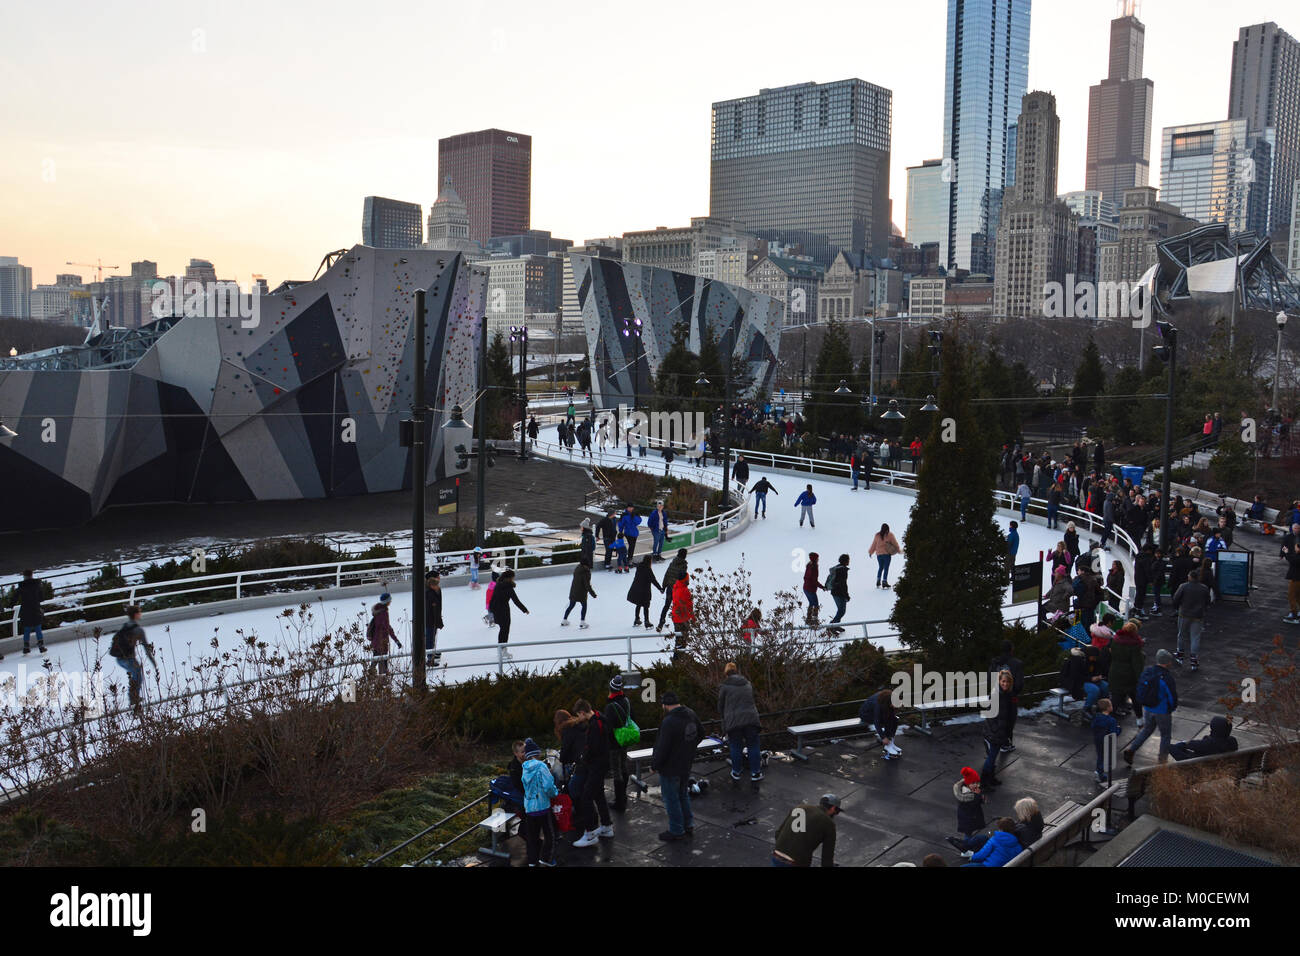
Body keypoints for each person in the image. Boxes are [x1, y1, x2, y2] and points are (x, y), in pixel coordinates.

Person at [651, 691, 705, 842]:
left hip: (670, 767)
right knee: (682, 795)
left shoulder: (669, 721)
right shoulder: (691, 713)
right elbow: (701, 733)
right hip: (685, 764)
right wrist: (689, 748)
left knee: (671, 799)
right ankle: (688, 824)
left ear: (665, 705)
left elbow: (663, 747)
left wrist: (655, 765)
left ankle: (676, 830)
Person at [570, 699, 614, 847]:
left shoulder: (594, 725)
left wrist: (583, 757)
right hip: (603, 764)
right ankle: (607, 826)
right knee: (598, 794)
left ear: (582, 712)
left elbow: (593, 748)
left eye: (578, 715)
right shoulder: (601, 718)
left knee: (586, 798)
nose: (579, 718)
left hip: (596, 766)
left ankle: (590, 834)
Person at [1123, 649, 1178, 766]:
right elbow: (1171, 696)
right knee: (1165, 735)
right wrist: (1172, 708)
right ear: (1167, 662)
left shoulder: (1148, 671)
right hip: (1162, 711)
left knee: (1147, 730)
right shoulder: (1166, 677)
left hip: (1148, 708)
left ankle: (1131, 750)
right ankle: (1162, 760)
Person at [718, 662, 763, 782]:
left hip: (734, 722)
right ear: (736, 671)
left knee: (736, 746)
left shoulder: (724, 686)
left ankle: (736, 772)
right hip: (751, 719)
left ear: (726, 673)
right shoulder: (747, 684)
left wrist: (724, 720)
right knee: (753, 746)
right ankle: (755, 773)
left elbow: (720, 706)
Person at [108, 605, 155, 713]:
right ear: (136, 614)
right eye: (139, 612)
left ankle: (134, 699)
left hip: (119, 659)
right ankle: (134, 703)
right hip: (129, 659)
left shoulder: (125, 626)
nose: (141, 614)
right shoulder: (138, 630)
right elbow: (146, 648)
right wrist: (153, 661)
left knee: (135, 677)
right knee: (137, 678)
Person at [772, 795, 840, 867]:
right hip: (797, 862)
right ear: (833, 808)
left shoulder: (799, 808)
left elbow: (778, 833)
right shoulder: (829, 823)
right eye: (837, 811)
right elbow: (827, 856)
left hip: (777, 855)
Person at [521, 738, 558, 866]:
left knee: (532, 837)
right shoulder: (541, 766)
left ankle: (532, 861)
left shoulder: (524, 767)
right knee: (550, 835)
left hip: (530, 809)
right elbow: (548, 786)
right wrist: (555, 793)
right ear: (536, 753)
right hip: (543, 807)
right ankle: (546, 859)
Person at [979, 671, 1016, 789]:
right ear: (999, 681)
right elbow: (990, 715)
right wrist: (996, 731)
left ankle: (991, 777)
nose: (1005, 684)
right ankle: (984, 781)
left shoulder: (1007, 694)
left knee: (993, 756)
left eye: (1007, 681)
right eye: (1003, 681)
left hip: (1001, 732)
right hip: (993, 733)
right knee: (991, 756)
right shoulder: (996, 695)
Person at [604, 676, 634, 812]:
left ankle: (619, 802)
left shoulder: (610, 706)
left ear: (611, 689)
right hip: (625, 739)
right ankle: (623, 797)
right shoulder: (626, 701)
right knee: (623, 766)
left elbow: (608, 728)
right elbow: (631, 717)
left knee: (616, 771)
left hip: (614, 742)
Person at [1172, 569, 1211, 671]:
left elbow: (1176, 598)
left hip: (1184, 614)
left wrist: (1178, 608)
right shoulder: (1204, 588)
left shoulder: (1183, 586)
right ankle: (1194, 659)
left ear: (1190, 577)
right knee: (1195, 637)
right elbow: (1208, 601)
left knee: (1181, 634)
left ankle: (1180, 655)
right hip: (1198, 615)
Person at [989, 641, 1025, 751]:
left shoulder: (995, 662)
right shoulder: (1017, 664)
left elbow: (989, 679)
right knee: (1009, 721)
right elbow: (1019, 684)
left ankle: (996, 742)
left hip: (996, 696)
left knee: (997, 721)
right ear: (1011, 650)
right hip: (1010, 698)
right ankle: (1005, 743)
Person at [1108, 621, 1146, 721]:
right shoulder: (1135, 644)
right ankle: (1140, 719)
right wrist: (1141, 678)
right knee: (1135, 698)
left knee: (1115, 699)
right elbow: (1137, 664)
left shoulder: (1115, 640)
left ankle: (1108, 721)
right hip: (1130, 676)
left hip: (1115, 672)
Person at [489, 569, 529, 649]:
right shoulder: (509, 588)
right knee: (505, 630)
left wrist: (491, 609)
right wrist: (525, 610)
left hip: (496, 610)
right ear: (510, 578)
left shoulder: (498, 585)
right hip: (504, 611)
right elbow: (516, 601)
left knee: (502, 630)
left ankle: (501, 648)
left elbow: (493, 598)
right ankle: (503, 649)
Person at [1170, 715, 1238, 761]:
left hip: (1196, 767)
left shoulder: (1207, 743)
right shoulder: (1232, 741)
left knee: (1169, 747)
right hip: (1215, 766)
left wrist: (1182, 743)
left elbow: (1187, 744)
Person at [858, 688, 902, 758]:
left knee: (894, 719)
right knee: (887, 720)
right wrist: (883, 737)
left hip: (875, 713)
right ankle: (887, 745)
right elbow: (877, 722)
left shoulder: (888, 700)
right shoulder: (878, 704)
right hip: (866, 715)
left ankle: (891, 744)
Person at [366, 594, 400, 676]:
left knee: (376, 657)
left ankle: (371, 674)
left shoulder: (379, 611)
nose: (391, 601)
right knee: (383, 659)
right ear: (387, 602)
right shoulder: (383, 613)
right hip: (381, 640)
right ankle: (383, 677)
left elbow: (386, 626)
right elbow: (386, 627)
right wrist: (396, 640)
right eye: (390, 600)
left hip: (376, 640)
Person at [626, 555, 663, 629]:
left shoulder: (639, 566)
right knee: (646, 606)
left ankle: (637, 619)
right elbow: (653, 580)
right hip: (644, 590)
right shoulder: (648, 569)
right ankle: (647, 621)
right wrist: (660, 588)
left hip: (636, 588)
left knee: (638, 604)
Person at [17, 569, 47, 656]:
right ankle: (41, 646)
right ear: (32, 575)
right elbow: (41, 598)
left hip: (25, 610)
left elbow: (15, 596)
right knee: (38, 628)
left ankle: (26, 647)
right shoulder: (37, 585)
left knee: (27, 629)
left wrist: (9, 605)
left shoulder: (21, 585)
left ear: (24, 576)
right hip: (35, 609)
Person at [657, 549, 688, 632]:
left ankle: (661, 622)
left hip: (669, 588)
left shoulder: (672, 563)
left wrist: (664, 587)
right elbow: (683, 579)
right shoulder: (683, 565)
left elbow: (667, 574)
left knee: (667, 605)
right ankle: (679, 624)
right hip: (677, 590)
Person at [562, 557, 597, 628]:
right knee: (584, 606)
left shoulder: (577, 568)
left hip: (574, 590)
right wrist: (593, 594)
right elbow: (587, 584)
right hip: (581, 592)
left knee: (571, 605)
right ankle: (582, 622)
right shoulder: (586, 571)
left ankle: (564, 620)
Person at [1092, 698, 1120, 785]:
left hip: (1098, 740)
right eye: (1111, 705)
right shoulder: (1111, 720)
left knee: (1100, 755)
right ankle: (1100, 772)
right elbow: (1114, 733)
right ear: (1108, 708)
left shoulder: (1097, 718)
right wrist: (1119, 729)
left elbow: (1093, 726)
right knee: (1106, 758)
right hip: (1107, 742)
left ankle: (1099, 771)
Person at [868, 523, 902, 589]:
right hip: (886, 554)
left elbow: (874, 545)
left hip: (879, 555)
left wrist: (870, 552)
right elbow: (895, 543)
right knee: (886, 568)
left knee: (881, 567)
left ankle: (878, 580)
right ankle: (884, 581)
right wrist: (898, 550)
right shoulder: (890, 535)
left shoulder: (877, 535)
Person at [670, 571, 694, 659]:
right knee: (682, 641)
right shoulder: (684, 590)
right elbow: (688, 606)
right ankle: (678, 661)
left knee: (679, 640)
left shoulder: (676, 587)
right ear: (685, 580)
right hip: (682, 619)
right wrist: (692, 617)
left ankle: (678, 660)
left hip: (676, 617)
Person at [825, 554, 851, 628]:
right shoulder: (842, 570)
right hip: (839, 593)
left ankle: (836, 625)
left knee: (840, 610)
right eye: (848, 560)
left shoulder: (837, 568)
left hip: (835, 592)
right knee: (841, 611)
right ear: (846, 561)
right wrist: (846, 595)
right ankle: (832, 626)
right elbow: (843, 584)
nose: (849, 561)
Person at [802, 552, 827, 625]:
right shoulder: (814, 568)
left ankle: (808, 620)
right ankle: (814, 621)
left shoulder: (809, 565)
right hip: (810, 589)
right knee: (815, 605)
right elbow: (814, 581)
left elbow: (806, 578)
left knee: (811, 603)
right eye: (817, 558)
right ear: (815, 559)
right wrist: (822, 587)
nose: (818, 559)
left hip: (805, 588)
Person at [424, 572, 444, 665]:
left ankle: (431, 653)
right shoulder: (429, 594)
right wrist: (438, 621)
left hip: (432, 620)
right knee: (429, 639)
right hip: (429, 621)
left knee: (431, 637)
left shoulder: (435, 591)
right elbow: (432, 610)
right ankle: (429, 658)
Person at [1284, 534, 1300, 625]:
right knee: (1298, 597)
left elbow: (1293, 561)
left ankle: (1294, 615)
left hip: (1296, 578)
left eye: (1296, 547)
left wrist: (1287, 552)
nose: (1295, 549)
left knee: (1291, 596)